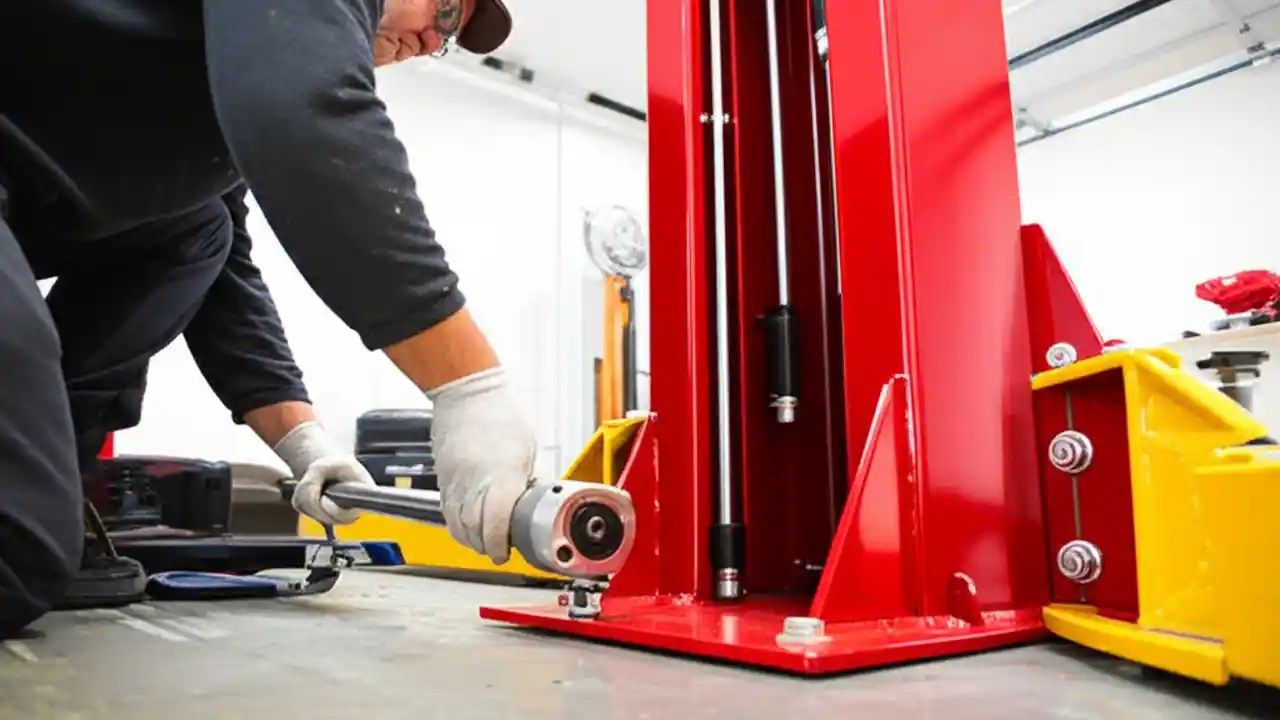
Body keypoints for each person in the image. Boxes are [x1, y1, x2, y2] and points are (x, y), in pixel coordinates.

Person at [0, 0, 536, 636]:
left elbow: (224, 270)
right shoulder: (279, 63)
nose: (432, 39)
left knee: (201, 231)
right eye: (445, 9)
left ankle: (48, 483)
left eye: (448, 37)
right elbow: (303, 115)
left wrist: (303, 444)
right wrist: (469, 386)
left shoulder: (213, 69)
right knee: (17, 551)